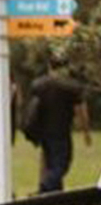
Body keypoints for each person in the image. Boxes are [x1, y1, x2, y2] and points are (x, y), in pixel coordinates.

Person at [29, 60, 92, 193]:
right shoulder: (70, 87)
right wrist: (86, 132)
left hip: (43, 131)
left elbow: (33, 109)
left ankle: (53, 194)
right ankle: (45, 185)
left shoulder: (39, 84)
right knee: (62, 165)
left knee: (51, 163)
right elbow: (81, 111)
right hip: (61, 131)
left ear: (49, 66)